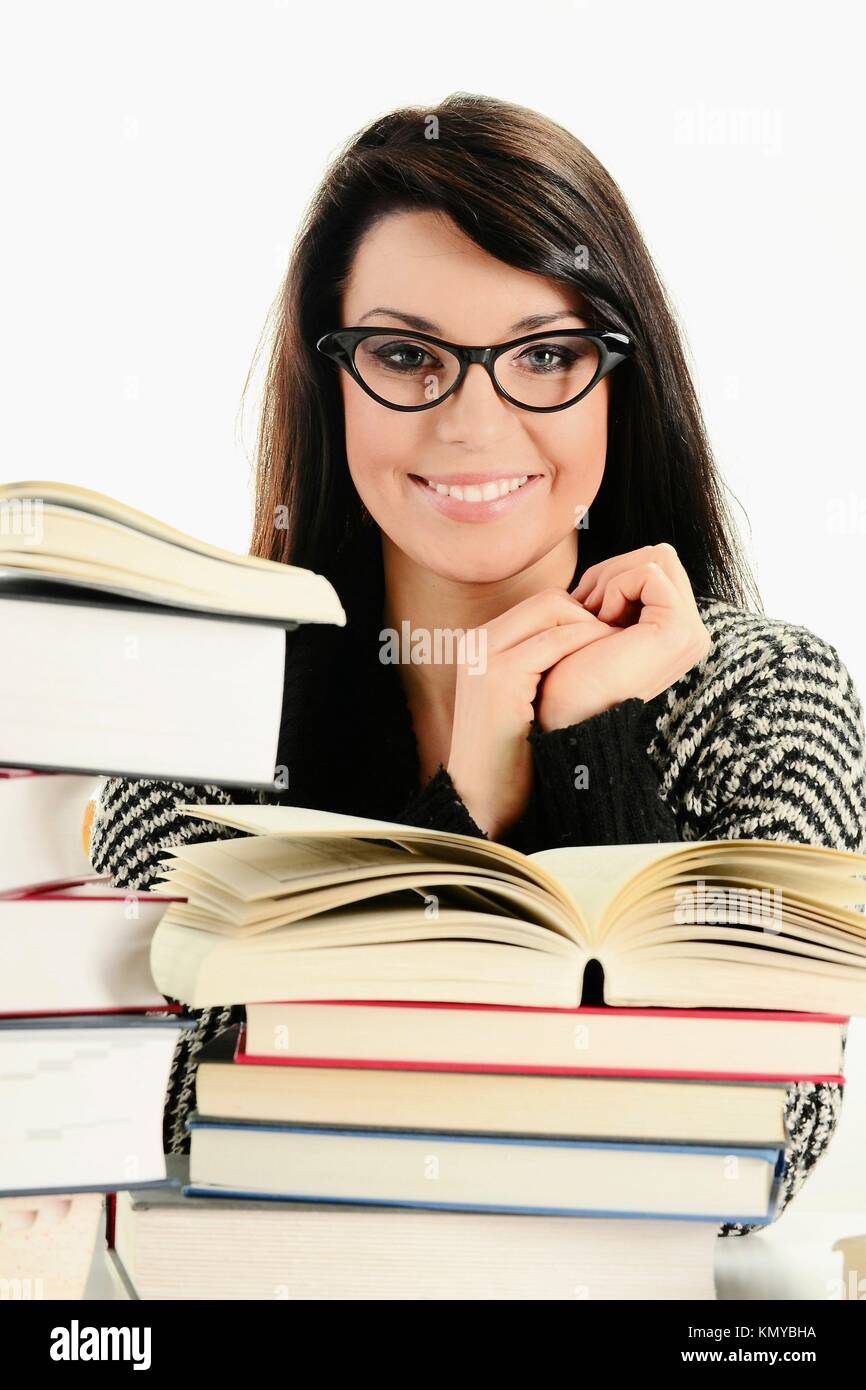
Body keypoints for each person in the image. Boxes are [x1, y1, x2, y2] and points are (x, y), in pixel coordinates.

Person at [90, 93, 866, 1238]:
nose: (470, 421)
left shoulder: (765, 697)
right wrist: (468, 805)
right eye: (405, 355)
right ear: (332, 377)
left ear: (618, 378)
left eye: (544, 354)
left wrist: (585, 747)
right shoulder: (202, 707)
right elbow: (165, 1128)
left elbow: (745, 1165)